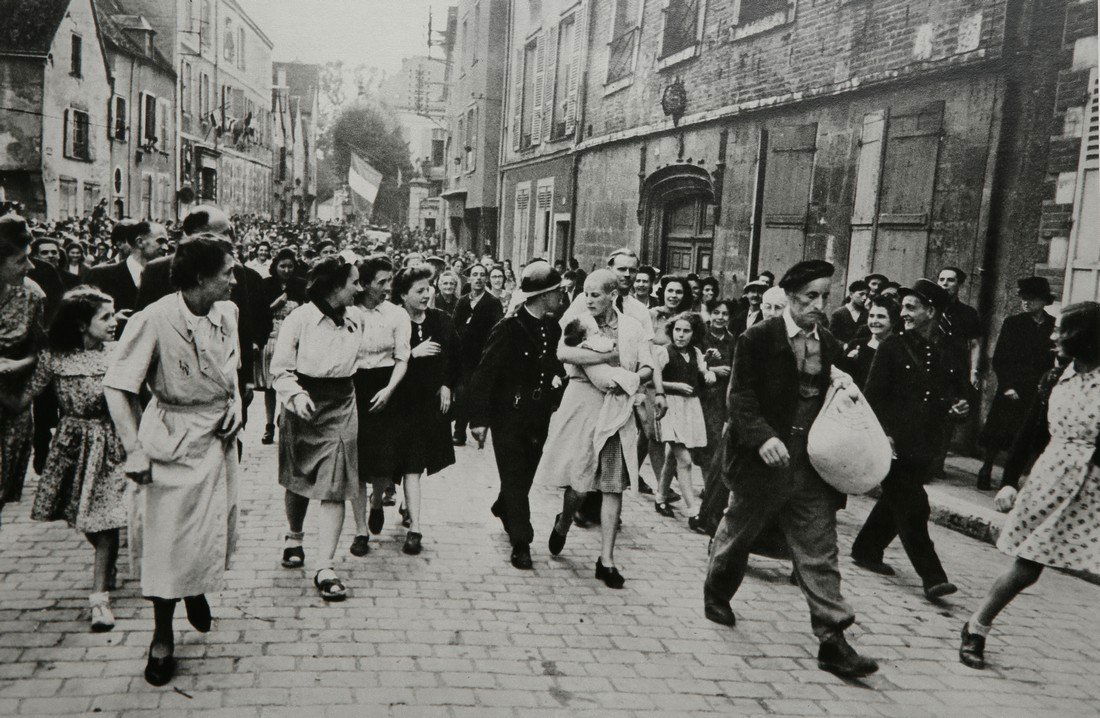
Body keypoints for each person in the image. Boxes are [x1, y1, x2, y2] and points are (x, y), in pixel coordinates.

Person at [704, 259, 878, 679]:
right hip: (761, 462)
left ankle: (833, 639)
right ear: (788, 297)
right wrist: (763, 437)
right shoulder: (757, 339)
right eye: (809, 297)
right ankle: (717, 590)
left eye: (824, 297)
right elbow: (740, 398)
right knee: (737, 534)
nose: (818, 305)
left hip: (811, 463)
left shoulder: (831, 345)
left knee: (819, 548)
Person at [103, 236, 243, 686]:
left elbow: (232, 368)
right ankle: (161, 637)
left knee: (211, 528)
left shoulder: (228, 314)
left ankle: (195, 587)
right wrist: (133, 448)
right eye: (228, 272)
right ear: (201, 278)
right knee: (166, 542)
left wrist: (237, 403)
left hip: (217, 440)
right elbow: (117, 386)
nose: (235, 279)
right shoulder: (154, 318)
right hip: (170, 440)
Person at [959, 301, 1100, 670]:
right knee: (1027, 567)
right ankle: (976, 627)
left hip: (1094, 487)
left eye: (1062, 330)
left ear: (1083, 337)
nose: (1053, 336)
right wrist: (1008, 481)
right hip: (1052, 479)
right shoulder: (1055, 377)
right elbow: (1031, 430)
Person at [14, 289, 127, 632]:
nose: (114, 322)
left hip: (111, 441)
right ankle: (106, 564)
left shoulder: (118, 353)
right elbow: (26, 394)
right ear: (81, 324)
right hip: (72, 443)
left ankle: (99, 600)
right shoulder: (56, 357)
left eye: (114, 315)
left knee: (105, 523)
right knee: (81, 516)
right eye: (105, 317)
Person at [850, 279, 970, 600]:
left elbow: (955, 392)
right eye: (903, 307)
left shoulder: (948, 348)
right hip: (894, 443)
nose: (903, 313)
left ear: (931, 311)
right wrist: (883, 435)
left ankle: (866, 549)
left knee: (898, 501)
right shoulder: (893, 347)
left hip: (926, 444)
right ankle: (932, 577)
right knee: (915, 506)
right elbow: (873, 396)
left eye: (911, 307)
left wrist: (959, 406)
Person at [540, 269, 653, 587]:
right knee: (579, 484)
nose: (588, 299)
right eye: (586, 293)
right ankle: (563, 522)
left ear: (613, 296)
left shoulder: (631, 327)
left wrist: (631, 379)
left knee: (612, 485)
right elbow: (562, 352)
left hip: (618, 408)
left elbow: (647, 364)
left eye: (595, 294)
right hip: (583, 405)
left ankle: (607, 560)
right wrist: (607, 357)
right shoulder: (579, 322)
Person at [270, 258, 363, 601]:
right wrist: (295, 396)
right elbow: (279, 368)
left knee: (335, 483)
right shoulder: (300, 320)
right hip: (303, 402)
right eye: (354, 282)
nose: (359, 288)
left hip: (341, 403)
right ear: (334, 286)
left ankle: (325, 566)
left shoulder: (355, 320)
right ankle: (294, 536)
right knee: (298, 476)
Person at [466, 261, 566, 570]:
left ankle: (504, 505)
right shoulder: (508, 328)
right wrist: (479, 420)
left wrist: (557, 381)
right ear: (541, 295)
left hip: (538, 415)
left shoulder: (552, 327)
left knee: (524, 475)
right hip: (507, 414)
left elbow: (552, 363)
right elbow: (484, 374)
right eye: (556, 291)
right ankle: (522, 541)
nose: (561, 295)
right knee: (513, 473)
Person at [390, 265, 459, 555]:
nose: (426, 294)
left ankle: (415, 527)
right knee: (389, 466)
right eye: (419, 290)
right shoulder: (392, 320)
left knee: (413, 465)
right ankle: (381, 501)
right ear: (403, 294)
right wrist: (411, 355)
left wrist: (447, 385)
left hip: (425, 406)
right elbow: (379, 359)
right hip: (395, 403)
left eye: (427, 289)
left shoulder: (440, 320)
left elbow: (454, 356)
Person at [349, 256, 410, 551]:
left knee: (384, 459)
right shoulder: (349, 313)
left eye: (390, 281)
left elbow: (402, 358)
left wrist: (389, 390)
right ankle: (360, 530)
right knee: (358, 460)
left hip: (388, 386)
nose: (387, 287)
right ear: (365, 282)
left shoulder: (397, 315)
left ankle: (377, 502)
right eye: (381, 282)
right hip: (355, 386)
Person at [976, 277, 1056, 490]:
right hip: (1012, 386)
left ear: (1043, 301)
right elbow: (1000, 358)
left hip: (1036, 389)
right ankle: (987, 467)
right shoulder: (1013, 323)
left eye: (1031, 299)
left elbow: (1052, 360)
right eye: (1023, 299)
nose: (1026, 303)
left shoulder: (1052, 325)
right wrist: (1008, 386)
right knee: (998, 430)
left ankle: (1012, 478)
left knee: (1025, 435)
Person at [0, 214, 46, 526]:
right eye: (20, 260)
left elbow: (43, 352)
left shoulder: (33, 295)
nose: (29, 267)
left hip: (13, 404)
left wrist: (20, 364)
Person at [653, 312, 716, 530]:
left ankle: (660, 497)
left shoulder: (696, 352)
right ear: (671, 331)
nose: (680, 335)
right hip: (669, 408)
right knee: (685, 460)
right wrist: (674, 386)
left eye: (686, 331)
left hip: (690, 408)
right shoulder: (663, 352)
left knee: (673, 455)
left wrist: (708, 374)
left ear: (694, 333)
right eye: (677, 330)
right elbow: (654, 381)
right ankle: (693, 511)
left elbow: (702, 372)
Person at [257, 249, 306, 444]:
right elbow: (259, 313)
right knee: (271, 385)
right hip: (272, 338)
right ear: (275, 266)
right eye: (282, 266)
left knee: (291, 381)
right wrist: (275, 304)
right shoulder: (266, 285)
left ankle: (285, 420)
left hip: (294, 341)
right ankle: (269, 425)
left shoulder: (300, 286)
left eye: (290, 266)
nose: (286, 270)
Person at [451, 263, 503, 447]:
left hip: (482, 356)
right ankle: (462, 429)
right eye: (475, 274)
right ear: (469, 278)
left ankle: (465, 429)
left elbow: (497, 330)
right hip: (463, 356)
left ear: (486, 279)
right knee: (462, 391)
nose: (479, 278)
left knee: (473, 391)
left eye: (482, 275)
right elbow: (454, 326)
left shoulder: (492, 302)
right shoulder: (463, 301)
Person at [86, 219, 167, 316]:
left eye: (167, 243)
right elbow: (84, 317)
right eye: (160, 241)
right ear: (140, 242)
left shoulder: (167, 278)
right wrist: (111, 319)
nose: (166, 247)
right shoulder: (100, 275)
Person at [696, 300, 736, 467]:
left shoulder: (732, 339)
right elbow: (691, 363)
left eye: (725, 314)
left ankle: (709, 486)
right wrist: (714, 369)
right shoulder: (700, 336)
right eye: (716, 313)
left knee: (714, 439)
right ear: (710, 314)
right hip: (700, 394)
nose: (720, 317)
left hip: (720, 398)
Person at [840, 295, 899, 389]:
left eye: (881, 317)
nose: (874, 321)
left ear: (893, 321)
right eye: (871, 316)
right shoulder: (856, 344)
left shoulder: (898, 348)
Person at [937, 266, 983, 387]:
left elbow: (975, 344)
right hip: (933, 369)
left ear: (960, 284)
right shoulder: (930, 310)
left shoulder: (968, 313)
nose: (944, 284)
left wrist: (973, 372)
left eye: (950, 280)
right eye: (941, 279)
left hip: (958, 372)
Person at [828, 280, 868, 345]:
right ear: (851, 294)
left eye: (867, 295)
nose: (864, 298)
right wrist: (845, 346)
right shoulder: (838, 313)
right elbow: (831, 337)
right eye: (861, 294)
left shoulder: (867, 314)